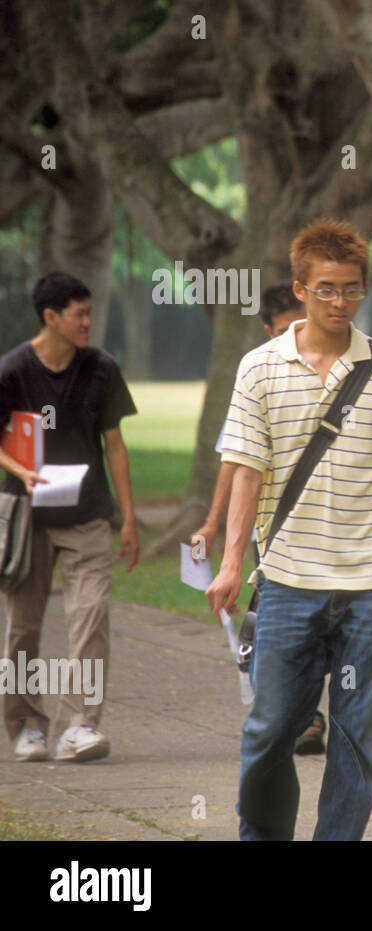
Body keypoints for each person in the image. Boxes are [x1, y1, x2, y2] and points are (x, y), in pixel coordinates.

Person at [206, 218, 372, 841]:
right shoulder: (258, 368)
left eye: (352, 289)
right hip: (287, 579)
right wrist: (231, 564)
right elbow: (246, 472)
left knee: (357, 743)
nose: (340, 302)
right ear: (301, 290)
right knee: (272, 728)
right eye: (328, 289)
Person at [0, 271, 138, 762]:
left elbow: (115, 445)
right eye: (79, 313)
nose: (88, 321)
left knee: (90, 616)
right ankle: (25, 726)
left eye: (89, 311)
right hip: (27, 519)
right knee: (22, 627)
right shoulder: (12, 371)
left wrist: (128, 518)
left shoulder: (101, 368)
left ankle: (79, 726)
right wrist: (21, 470)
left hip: (87, 515)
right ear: (50, 316)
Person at [190, 283, 326, 755]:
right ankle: (300, 716)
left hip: (329, 521)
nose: (300, 334)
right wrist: (213, 525)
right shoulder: (259, 374)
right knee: (279, 618)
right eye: (289, 328)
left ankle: (303, 712)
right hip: (273, 524)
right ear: (269, 329)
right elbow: (237, 462)